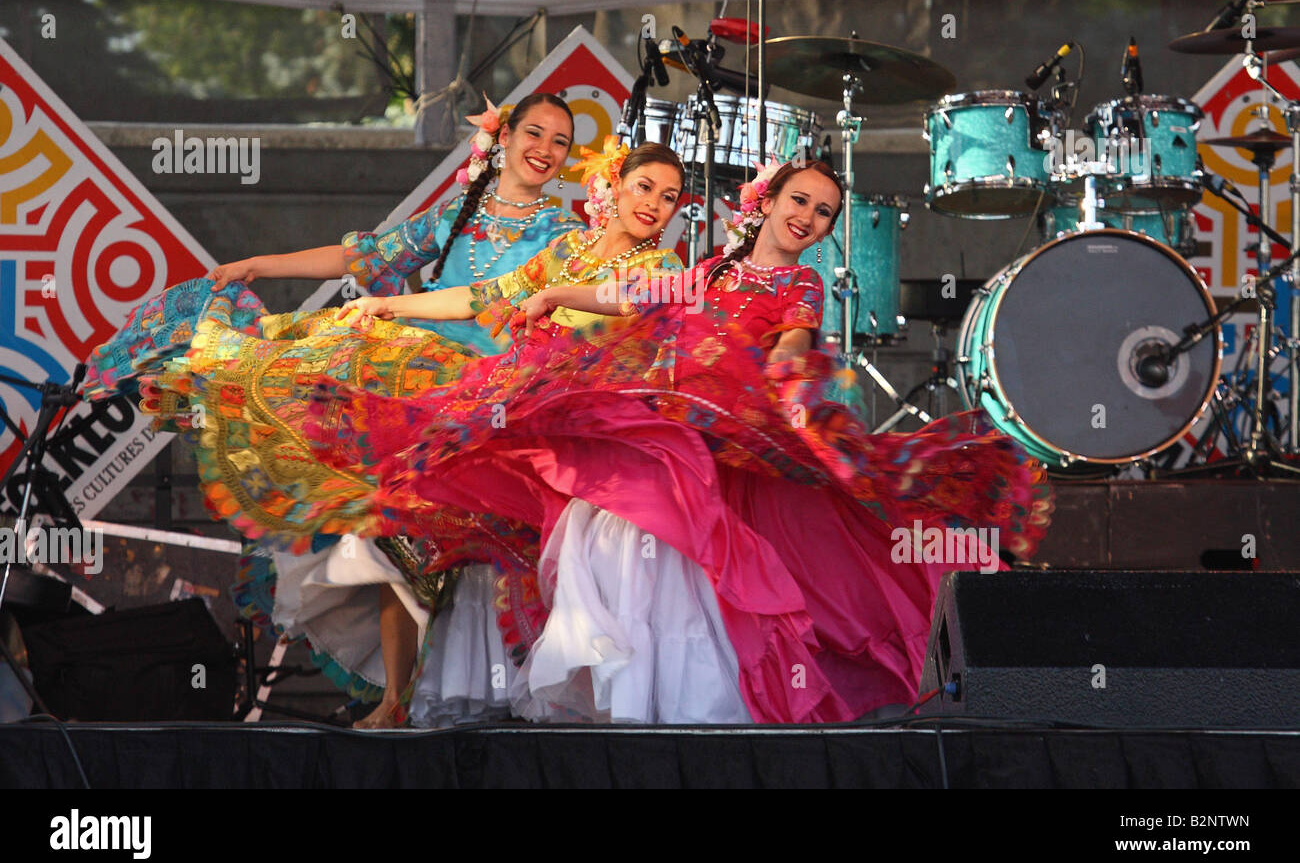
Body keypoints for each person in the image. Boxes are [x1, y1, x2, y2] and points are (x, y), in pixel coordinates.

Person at [268, 160, 1054, 724]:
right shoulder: (707, 271)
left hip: (736, 430)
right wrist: (554, 292)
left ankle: (689, 708)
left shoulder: (799, 285)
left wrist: (772, 381)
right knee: (606, 527)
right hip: (686, 425)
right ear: (766, 201)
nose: (807, 219)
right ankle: (629, 701)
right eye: (798, 201)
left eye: (822, 213)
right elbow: (628, 295)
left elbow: (791, 343)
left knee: (713, 562)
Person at [87, 135, 690, 726]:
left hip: (570, 425)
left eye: (669, 198)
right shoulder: (568, 250)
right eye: (645, 186)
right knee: (397, 501)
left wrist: (554, 296)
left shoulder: (661, 265)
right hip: (504, 405)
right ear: (612, 186)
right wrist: (387, 307)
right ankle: (401, 695)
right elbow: (479, 297)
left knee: (468, 533)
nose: (654, 204)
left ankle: (518, 700)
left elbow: (630, 300)